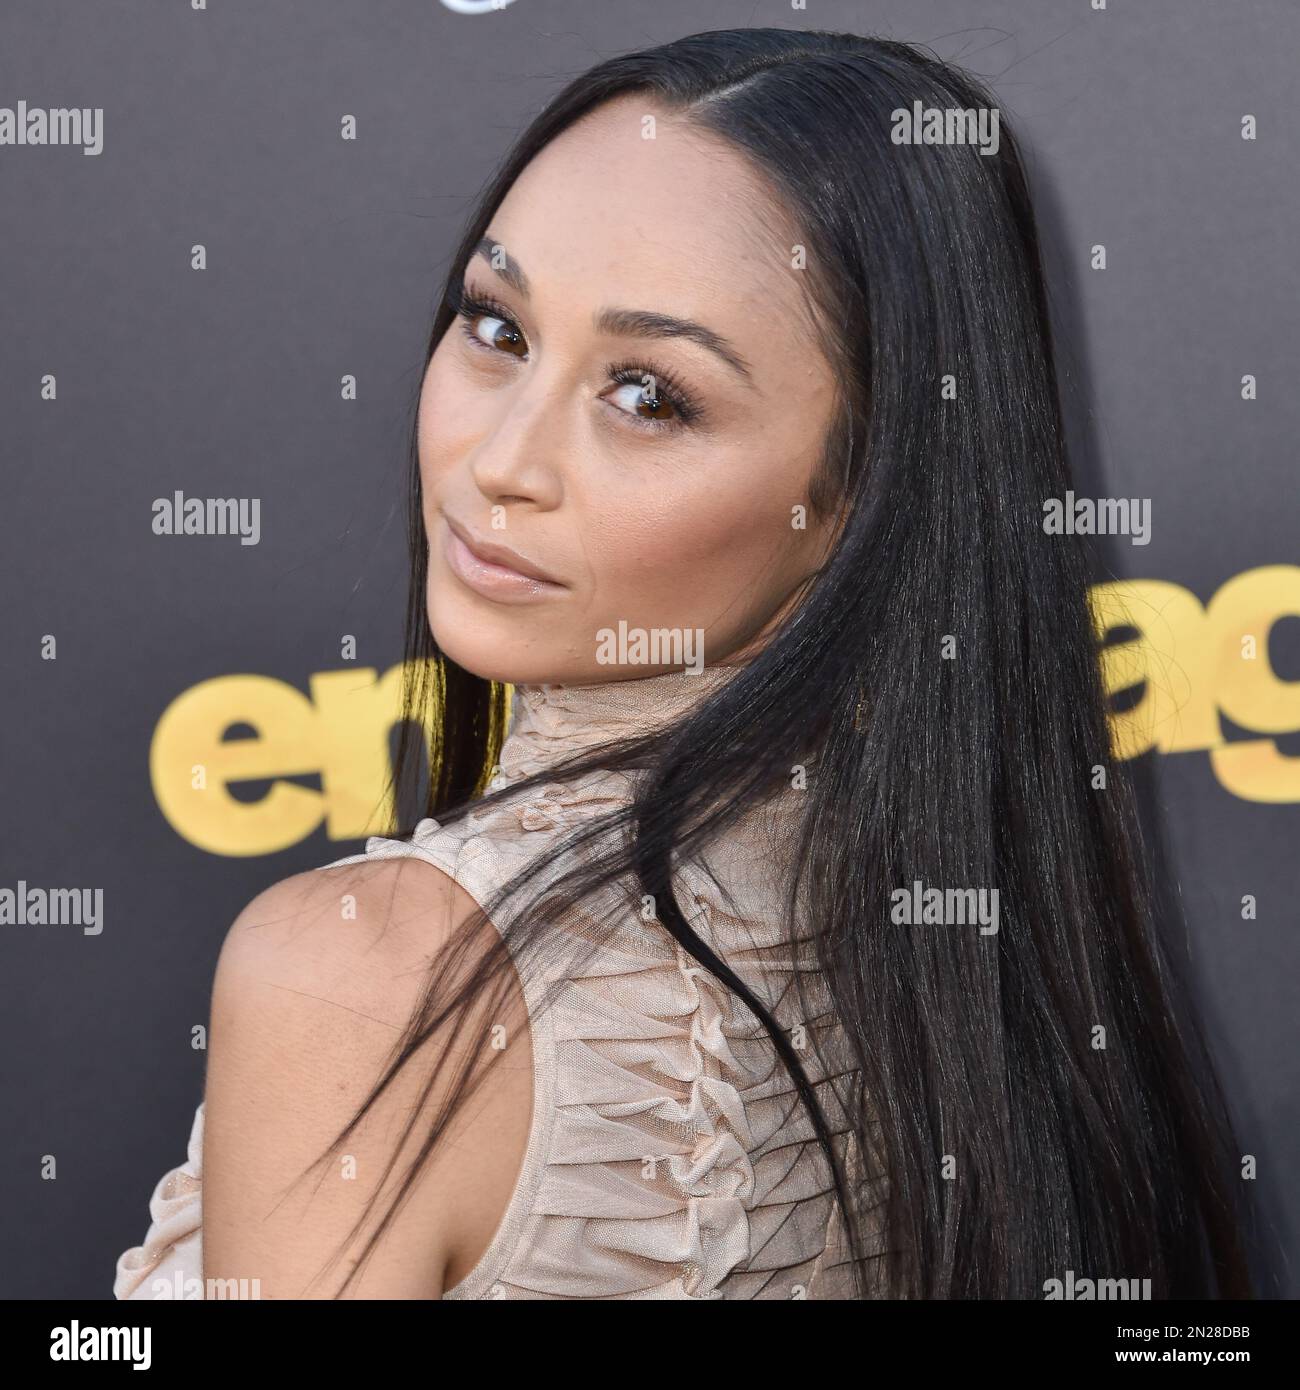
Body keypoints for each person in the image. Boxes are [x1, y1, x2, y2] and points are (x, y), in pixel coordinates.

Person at [114, 27, 1253, 1301]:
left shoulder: (373, 975)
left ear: (863, 496)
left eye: (648, 396)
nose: (502, 460)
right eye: (494, 325)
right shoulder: (975, 950)